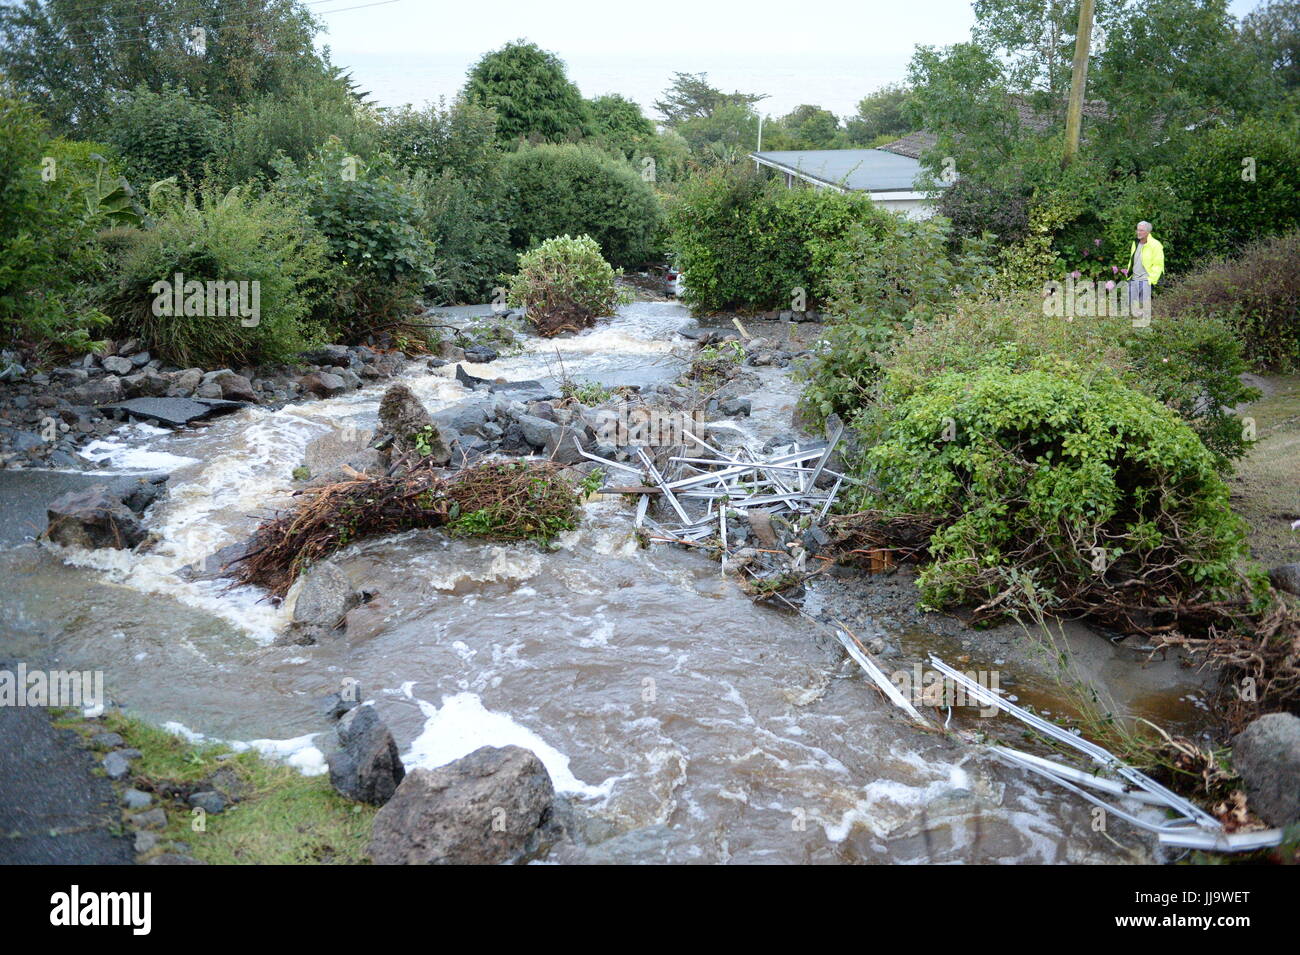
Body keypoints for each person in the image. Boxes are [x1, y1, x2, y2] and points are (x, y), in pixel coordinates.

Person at [1127, 221, 1164, 314]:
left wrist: (1150, 281)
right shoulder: (1135, 243)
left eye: (1141, 230)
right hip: (1133, 280)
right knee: (1131, 310)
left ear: (1148, 232)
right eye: (1138, 230)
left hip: (1145, 281)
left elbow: (1158, 265)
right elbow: (1132, 261)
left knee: (1144, 311)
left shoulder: (1156, 245)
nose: (1138, 232)